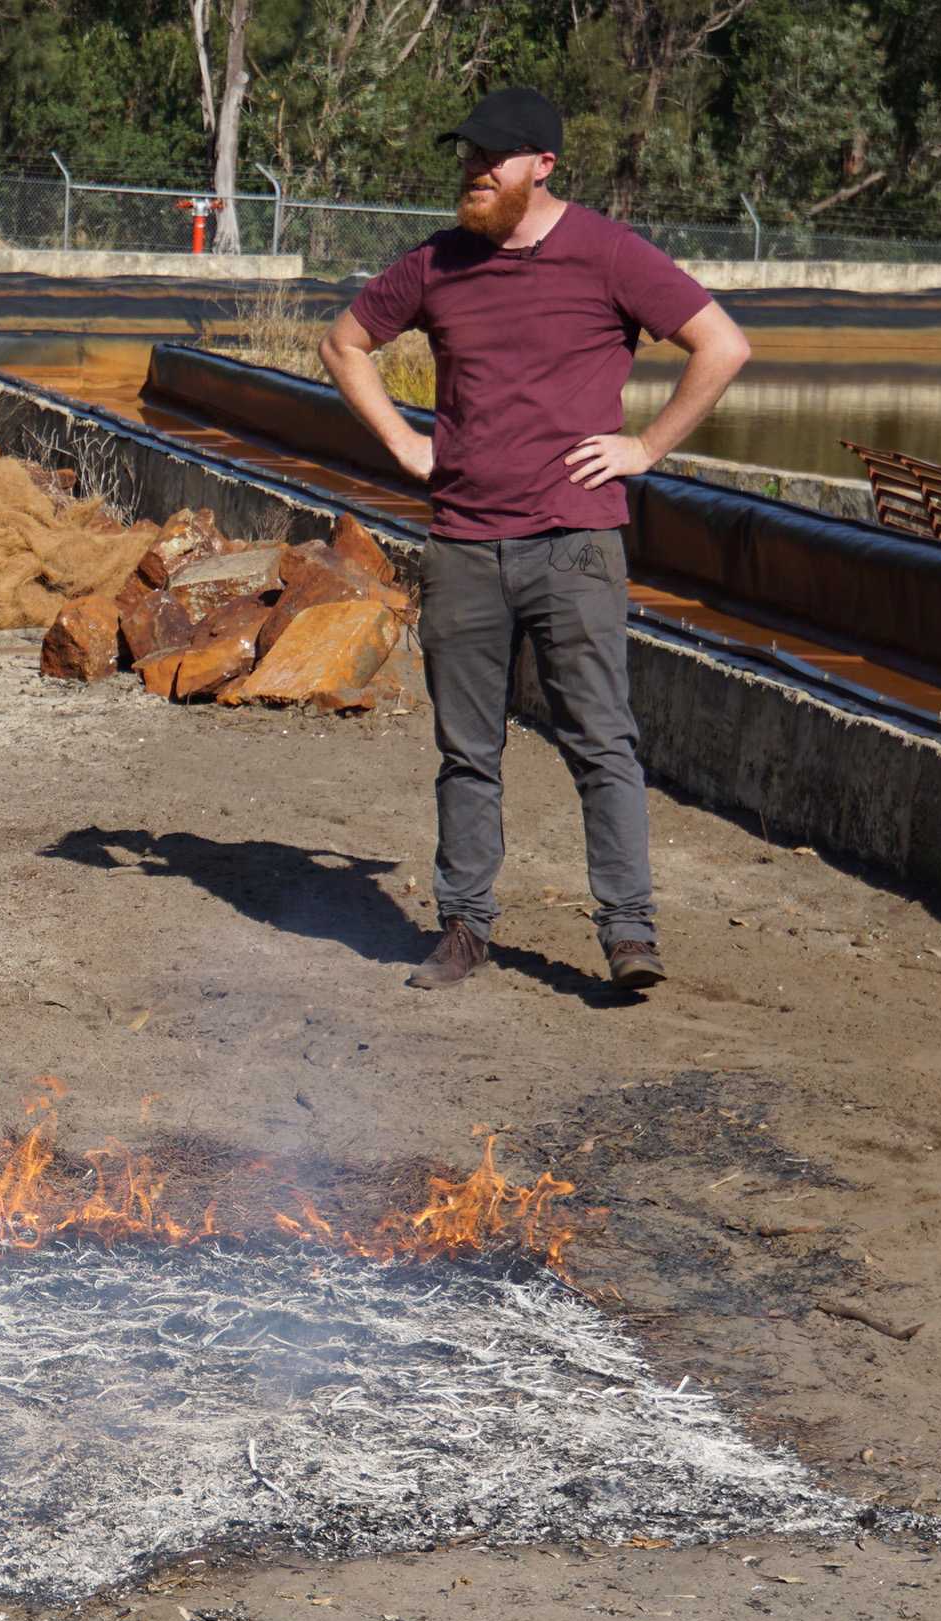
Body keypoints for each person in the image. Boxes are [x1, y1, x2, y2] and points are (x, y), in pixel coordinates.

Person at [318, 86, 751, 993]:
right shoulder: (437, 262)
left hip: (575, 544)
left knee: (601, 741)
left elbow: (721, 345)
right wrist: (404, 442)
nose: (474, 171)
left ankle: (628, 932)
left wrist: (645, 448)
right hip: (464, 543)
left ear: (543, 165)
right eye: (468, 156)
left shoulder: (608, 254)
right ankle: (464, 927)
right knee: (467, 750)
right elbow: (344, 344)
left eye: (493, 157)